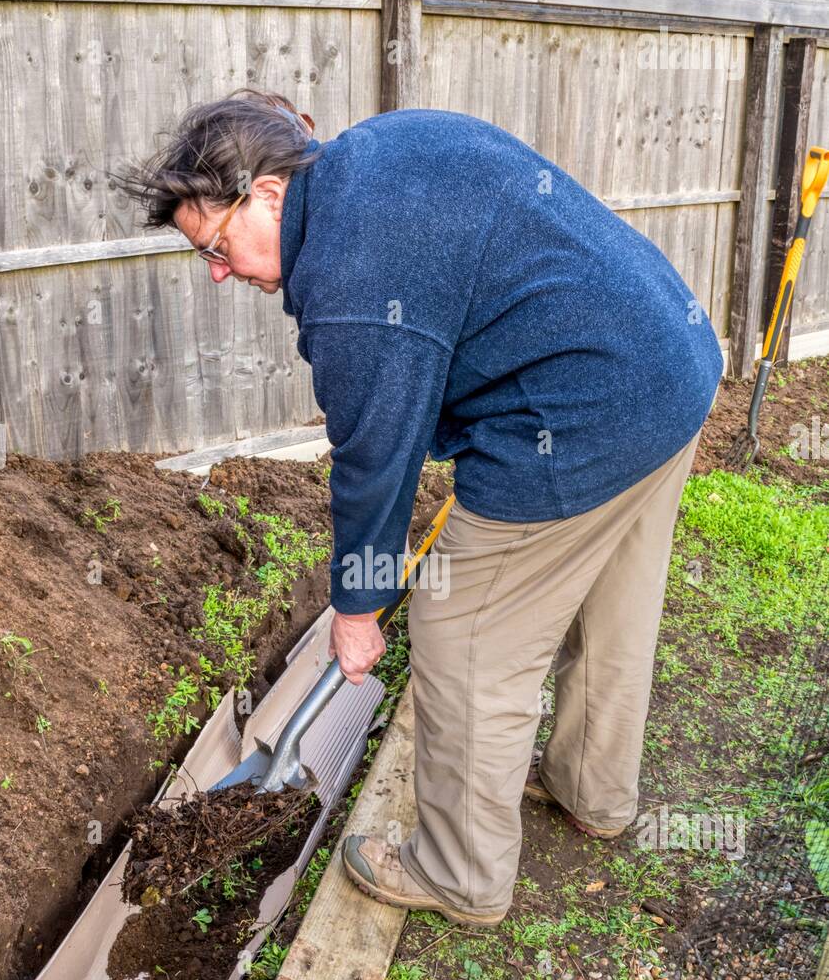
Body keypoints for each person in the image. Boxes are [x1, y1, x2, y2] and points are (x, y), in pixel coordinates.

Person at [114, 89, 723, 929]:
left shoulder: (350, 283)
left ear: (269, 192)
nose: (219, 273)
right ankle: (594, 791)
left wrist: (358, 609)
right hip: (670, 370)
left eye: (216, 247)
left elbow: (375, 461)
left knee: (461, 631)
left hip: (580, 421)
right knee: (613, 605)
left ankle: (459, 874)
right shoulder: (389, 145)